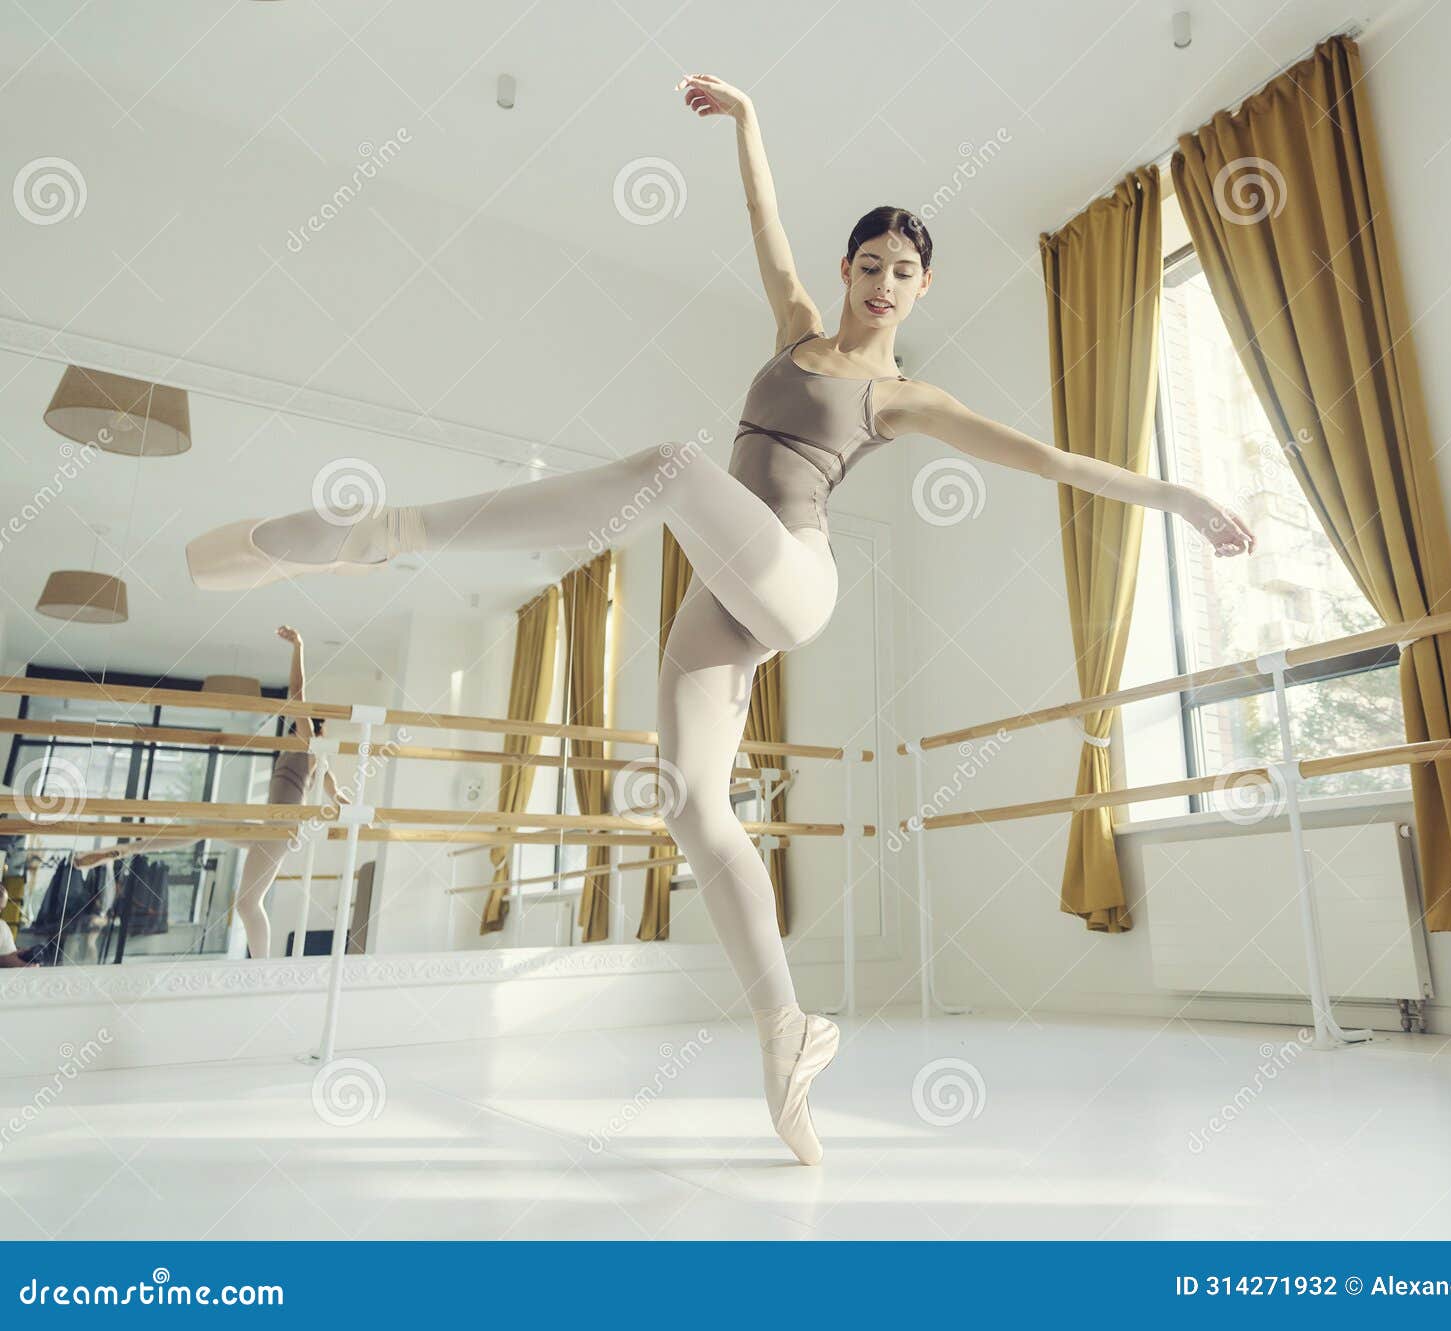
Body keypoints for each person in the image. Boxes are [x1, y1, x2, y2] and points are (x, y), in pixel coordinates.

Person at [183, 74, 1255, 1164]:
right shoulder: (796, 329)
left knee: (670, 467)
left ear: (923, 287)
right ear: (847, 270)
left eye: (904, 272)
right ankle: (788, 1028)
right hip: (728, 597)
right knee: (695, 807)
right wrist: (748, 121)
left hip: (796, 575)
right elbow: (762, 219)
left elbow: (1051, 459)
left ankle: (391, 530)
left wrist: (1179, 497)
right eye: (870, 265)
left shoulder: (907, 398)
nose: (884, 284)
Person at [79, 626, 345, 960]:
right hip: (270, 828)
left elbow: (297, 692)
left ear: (311, 727)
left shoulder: (309, 745)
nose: (299, 725)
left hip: (281, 831)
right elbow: (332, 785)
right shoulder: (309, 753)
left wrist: (299, 645)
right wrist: (341, 799)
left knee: (248, 904)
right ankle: (121, 850)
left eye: (303, 722)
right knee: (202, 827)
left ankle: (263, 968)